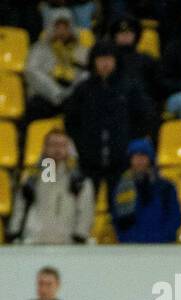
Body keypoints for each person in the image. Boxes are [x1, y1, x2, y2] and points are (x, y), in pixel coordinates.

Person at [64, 40, 155, 192]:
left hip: (122, 163)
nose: (105, 63)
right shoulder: (83, 90)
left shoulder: (130, 88)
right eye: (100, 59)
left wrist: (129, 145)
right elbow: (71, 121)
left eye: (109, 59)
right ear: (93, 61)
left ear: (116, 61)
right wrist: (82, 146)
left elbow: (144, 118)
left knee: (123, 209)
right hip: (89, 162)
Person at [6, 129, 95, 245]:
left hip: (67, 243)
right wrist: (14, 233)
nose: (57, 149)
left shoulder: (79, 181)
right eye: (53, 145)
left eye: (62, 145)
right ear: (44, 148)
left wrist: (79, 237)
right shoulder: (31, 180)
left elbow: (85, 211)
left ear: (69, 149)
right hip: (34, 242)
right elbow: (20, 207)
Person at [111, 138, 181, 243]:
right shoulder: (122, 189)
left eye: (143, 156)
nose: (139, 161)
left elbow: (174, 218)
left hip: (162, 247)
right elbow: (118, 221)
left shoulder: (165, 187)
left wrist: (163, 239)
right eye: (135, 156)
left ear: (150, 159)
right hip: (132, 247)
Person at [23, 9, 86, 120]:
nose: (61, 31)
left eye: (65, 27)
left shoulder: (81, 50)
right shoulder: (39, 49)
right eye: (58, 27)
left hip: (72, 99)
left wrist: (71, 94)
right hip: (44, 96)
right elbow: (31, 72)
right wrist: (56, 93)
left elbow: (87, 74)